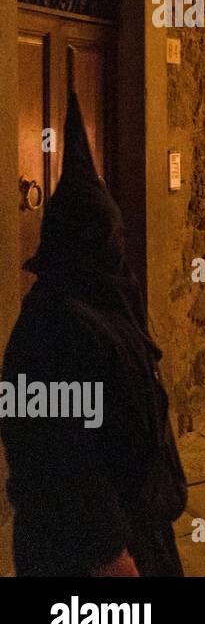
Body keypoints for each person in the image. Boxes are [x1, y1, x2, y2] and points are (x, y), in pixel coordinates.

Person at [2, 90, 187, 576]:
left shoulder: (109, 303)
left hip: (140, 526)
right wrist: (108, 554)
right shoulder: (51, 328)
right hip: (84, 552)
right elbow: (55, 455)